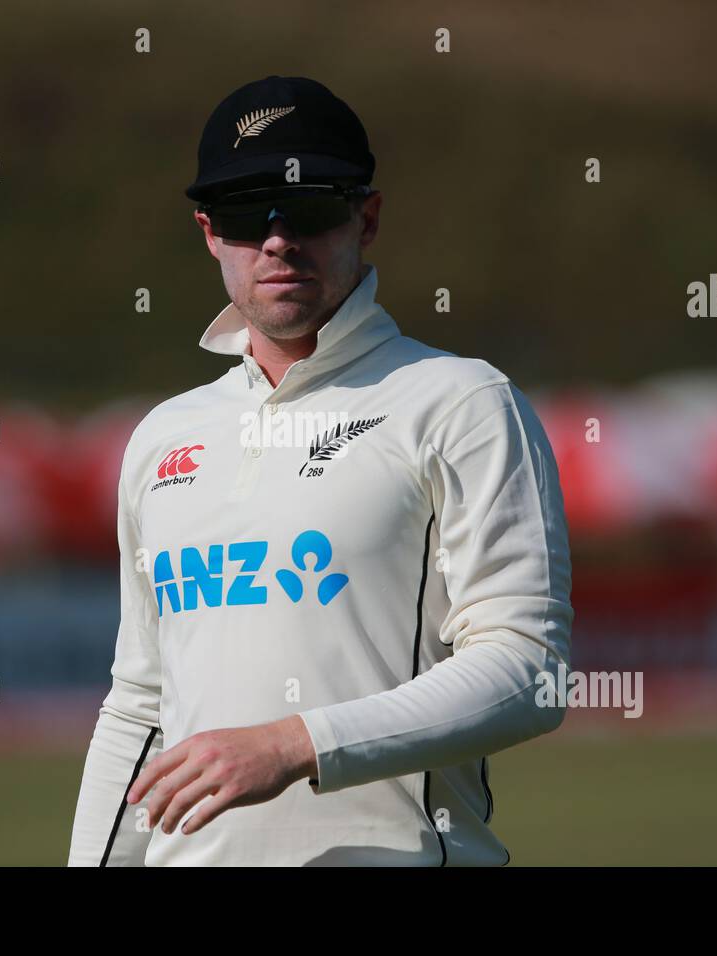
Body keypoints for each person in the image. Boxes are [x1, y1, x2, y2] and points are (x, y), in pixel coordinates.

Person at [68, 75, 573, 866]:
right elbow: (139, 707)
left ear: (364, 218)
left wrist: (294, 744)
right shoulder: (163, 436)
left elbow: (526, 671)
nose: (276, 239)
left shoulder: (461, 400)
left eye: (306, 207)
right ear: (209, 230)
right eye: (243, 212)